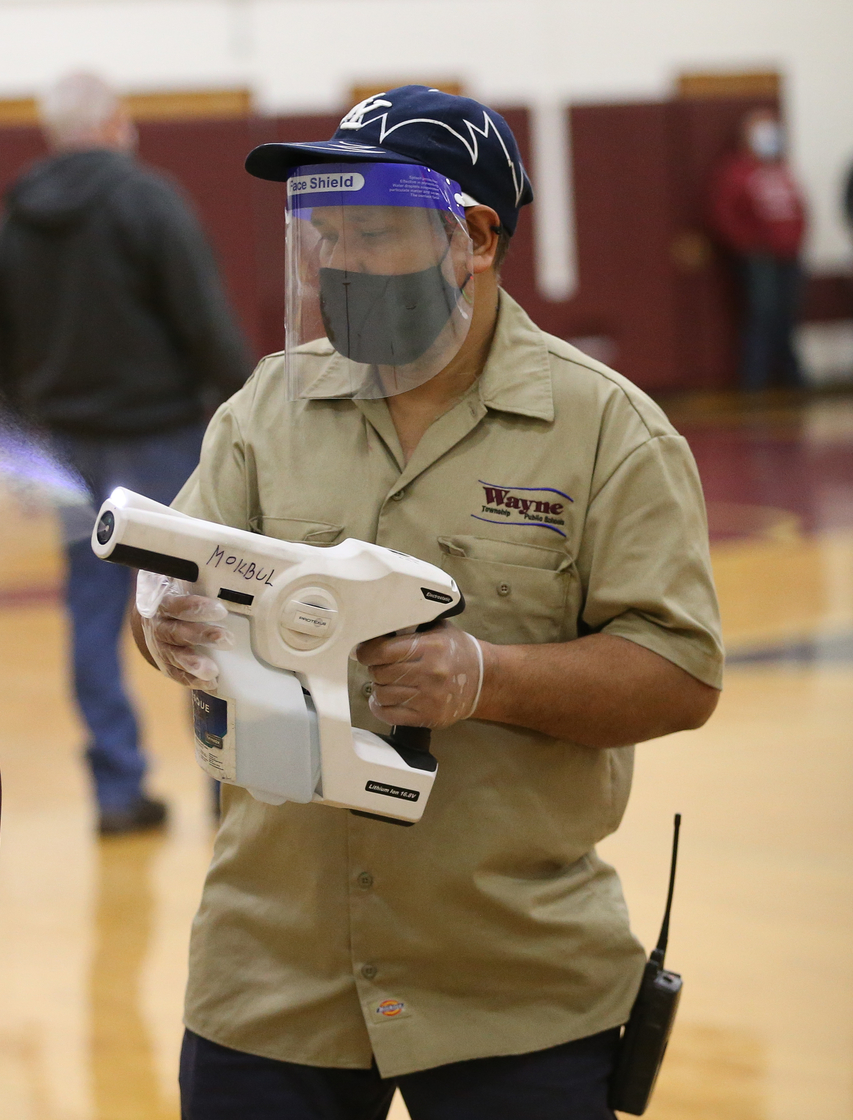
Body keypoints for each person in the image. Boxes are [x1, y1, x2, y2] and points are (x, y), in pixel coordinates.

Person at [132, 86, 723, 1118]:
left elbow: (680, 674)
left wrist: (485, 677)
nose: (341, 263)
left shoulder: (606, 431)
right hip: (271, 976)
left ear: (474, 239)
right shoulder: (266, 408)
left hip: (516, 983)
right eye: (327, 236)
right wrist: (165, 628)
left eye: (375, 234)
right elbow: (169, 591)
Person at [0, 72, 250, 835]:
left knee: (91, 614)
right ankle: (225, 784)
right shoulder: (149, 201)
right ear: (112, 123)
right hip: (162, 439)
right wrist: (252, 407)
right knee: (200, 608)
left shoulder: (14, 219)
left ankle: (116, 791)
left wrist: (11, 447)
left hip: (68, 454)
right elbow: (203, 320)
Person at [709, 108, 808, 390]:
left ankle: (792, 377)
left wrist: (795, 240)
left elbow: (799, 209)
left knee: (788, 315)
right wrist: (749, 244)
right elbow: (723, 215)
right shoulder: (735, 172)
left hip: (788, 255)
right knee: (761, 315)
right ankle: (755, 380)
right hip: (758, 257)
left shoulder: (781, 169)